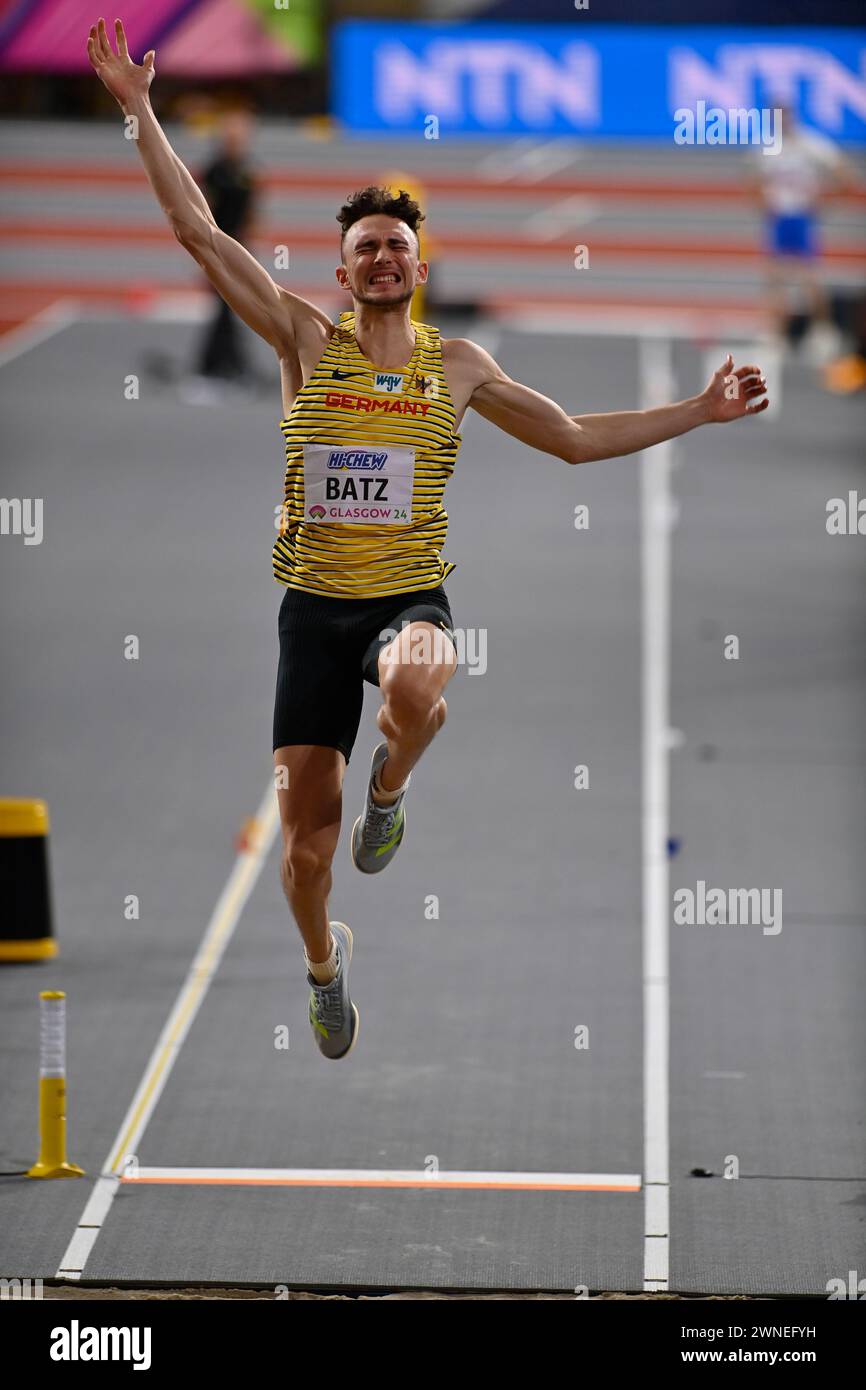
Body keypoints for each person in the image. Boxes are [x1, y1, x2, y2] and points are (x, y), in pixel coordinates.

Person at [88, 18, 769, 1060]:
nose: (379, 259)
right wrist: (139, 113)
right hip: (312, 615)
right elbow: (197, 232)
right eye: (363, 248)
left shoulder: (457, 369)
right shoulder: (302, 338)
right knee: (304, 860)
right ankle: (324, 967)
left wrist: (696, 409)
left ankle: (390, 794)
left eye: (395, 248)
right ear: (343, 266)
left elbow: (577, 440)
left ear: (416, 265)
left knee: (418, 684)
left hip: (408, 594)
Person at [753, 106, 856, 351]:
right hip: (780, 217)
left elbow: (843, 172)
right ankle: (775, 332)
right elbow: (754, 178)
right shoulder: (768, 148)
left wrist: (824, 202)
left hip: (801, 215)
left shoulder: (810, 143)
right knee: (775, 277)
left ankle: (822, 330)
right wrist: (764, 203)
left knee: (809, 277)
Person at [184, 106, 258, 399]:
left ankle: (226, 364)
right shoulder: (213, 171)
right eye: (231, 136)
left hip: (239, 250)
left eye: (241, 137)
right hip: (217, 249)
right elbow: (202, 213)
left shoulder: (248, 172)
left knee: (232, 308)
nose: (236, 141)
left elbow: (253, 212)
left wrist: (250, 248)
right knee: (224, 308)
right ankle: (216, 366)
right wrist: (203, 255)